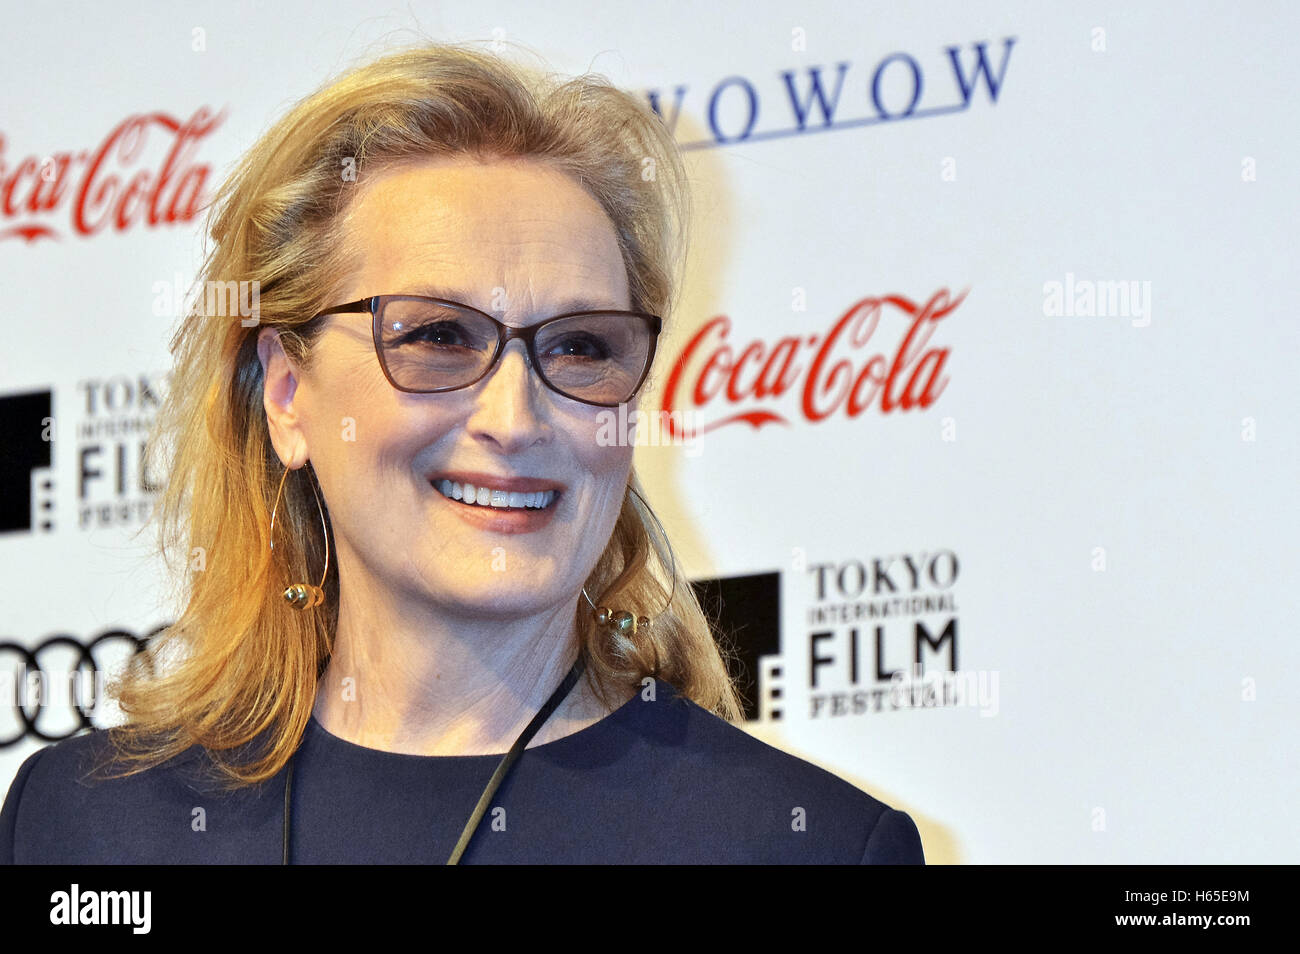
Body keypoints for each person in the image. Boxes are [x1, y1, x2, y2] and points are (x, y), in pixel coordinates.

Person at [0, 42, 924, 864]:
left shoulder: (808, 845)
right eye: (437, 335)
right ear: (286, 393)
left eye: (579, 345)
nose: (516, 416)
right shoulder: (86, 825)